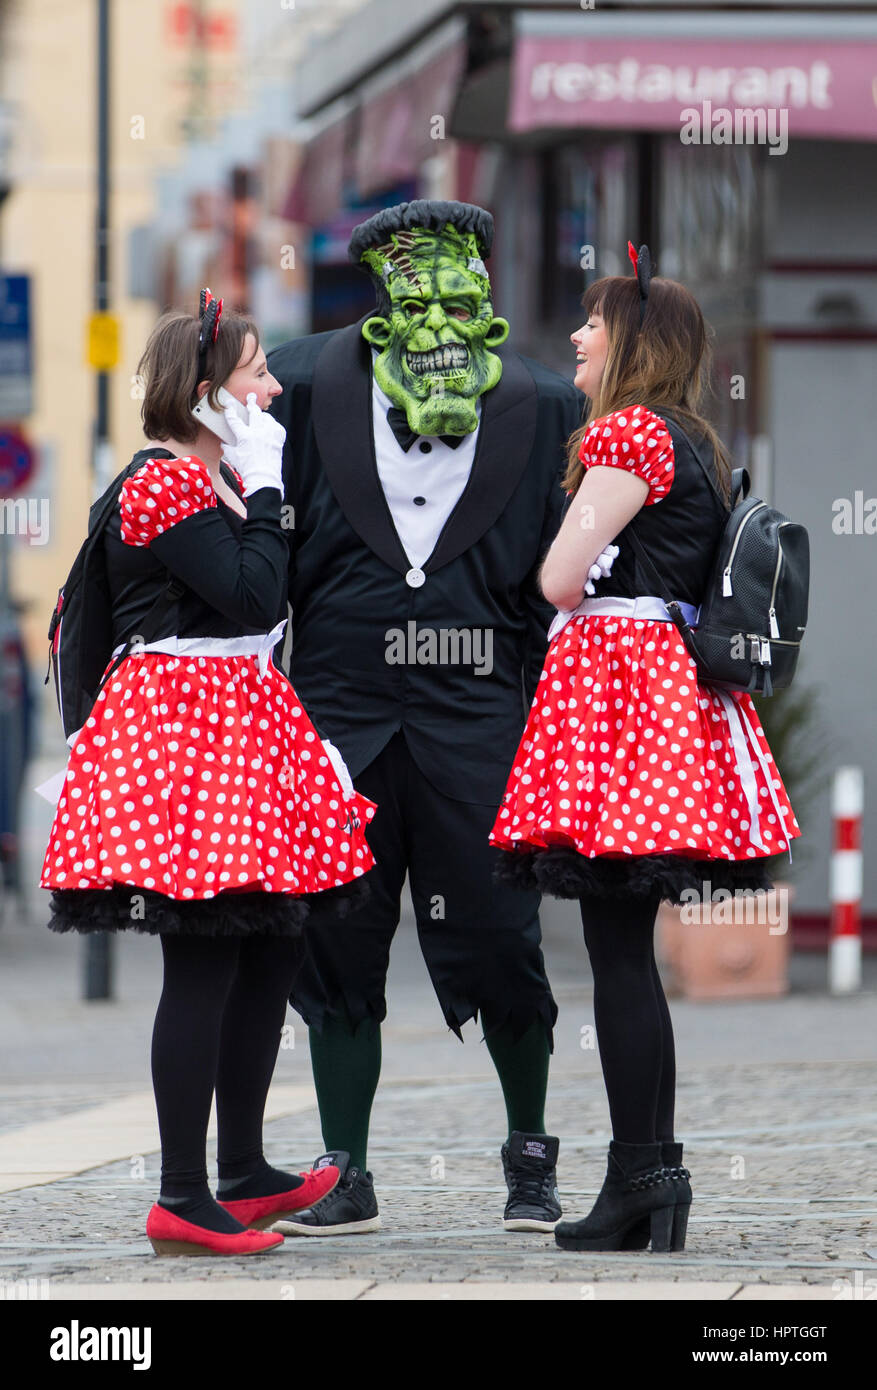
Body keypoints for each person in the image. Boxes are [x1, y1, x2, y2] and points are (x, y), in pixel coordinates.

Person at [265, 200, 585, 1235]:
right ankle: (343, 1165)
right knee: (334, 939)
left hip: (481, 718)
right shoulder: (303, 388)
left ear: (486, 294)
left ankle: (529, 1157)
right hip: (339, 717)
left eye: (461, 287)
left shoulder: (541, 403)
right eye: (419, 287)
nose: (440, 308)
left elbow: (563, 583)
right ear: (381, 299)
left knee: (502, 938)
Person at [38, 291, 377, 1256]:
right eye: (254, 374)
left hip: (238, 729)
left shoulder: (209, 481)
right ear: (205, 395)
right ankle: (182, 1194)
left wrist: (258, 492)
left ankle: (240, 1167)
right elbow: (247, 591)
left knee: (267, 947)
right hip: (189, 740)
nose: (271, 388)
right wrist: (268, 494)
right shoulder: (164, 484)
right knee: (202, 961)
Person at [490, 244, 800, 1252]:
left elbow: (561, 577)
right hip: (670, 703)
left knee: (618, 947)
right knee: (629, 947)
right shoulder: (699, 439)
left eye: (592, 324)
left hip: (622, 702)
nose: (576, 338)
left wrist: (554, 543)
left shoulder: (628, 434)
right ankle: (650, 1175)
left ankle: (642, 1178)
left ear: (633, 345)